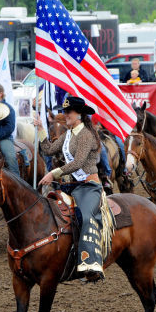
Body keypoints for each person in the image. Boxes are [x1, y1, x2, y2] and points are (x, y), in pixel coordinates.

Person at [33, 96, 107, 281]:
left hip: (88, 186)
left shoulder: (87, 135)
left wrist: (53, 173)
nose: (65, 115)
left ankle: (91, 265)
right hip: (69, 185)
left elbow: (79, 162)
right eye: (64, 112)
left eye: (68, 112)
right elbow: (49, 150)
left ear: (79, 115)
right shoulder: (68, 134)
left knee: (87, 217)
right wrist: (41, 130)